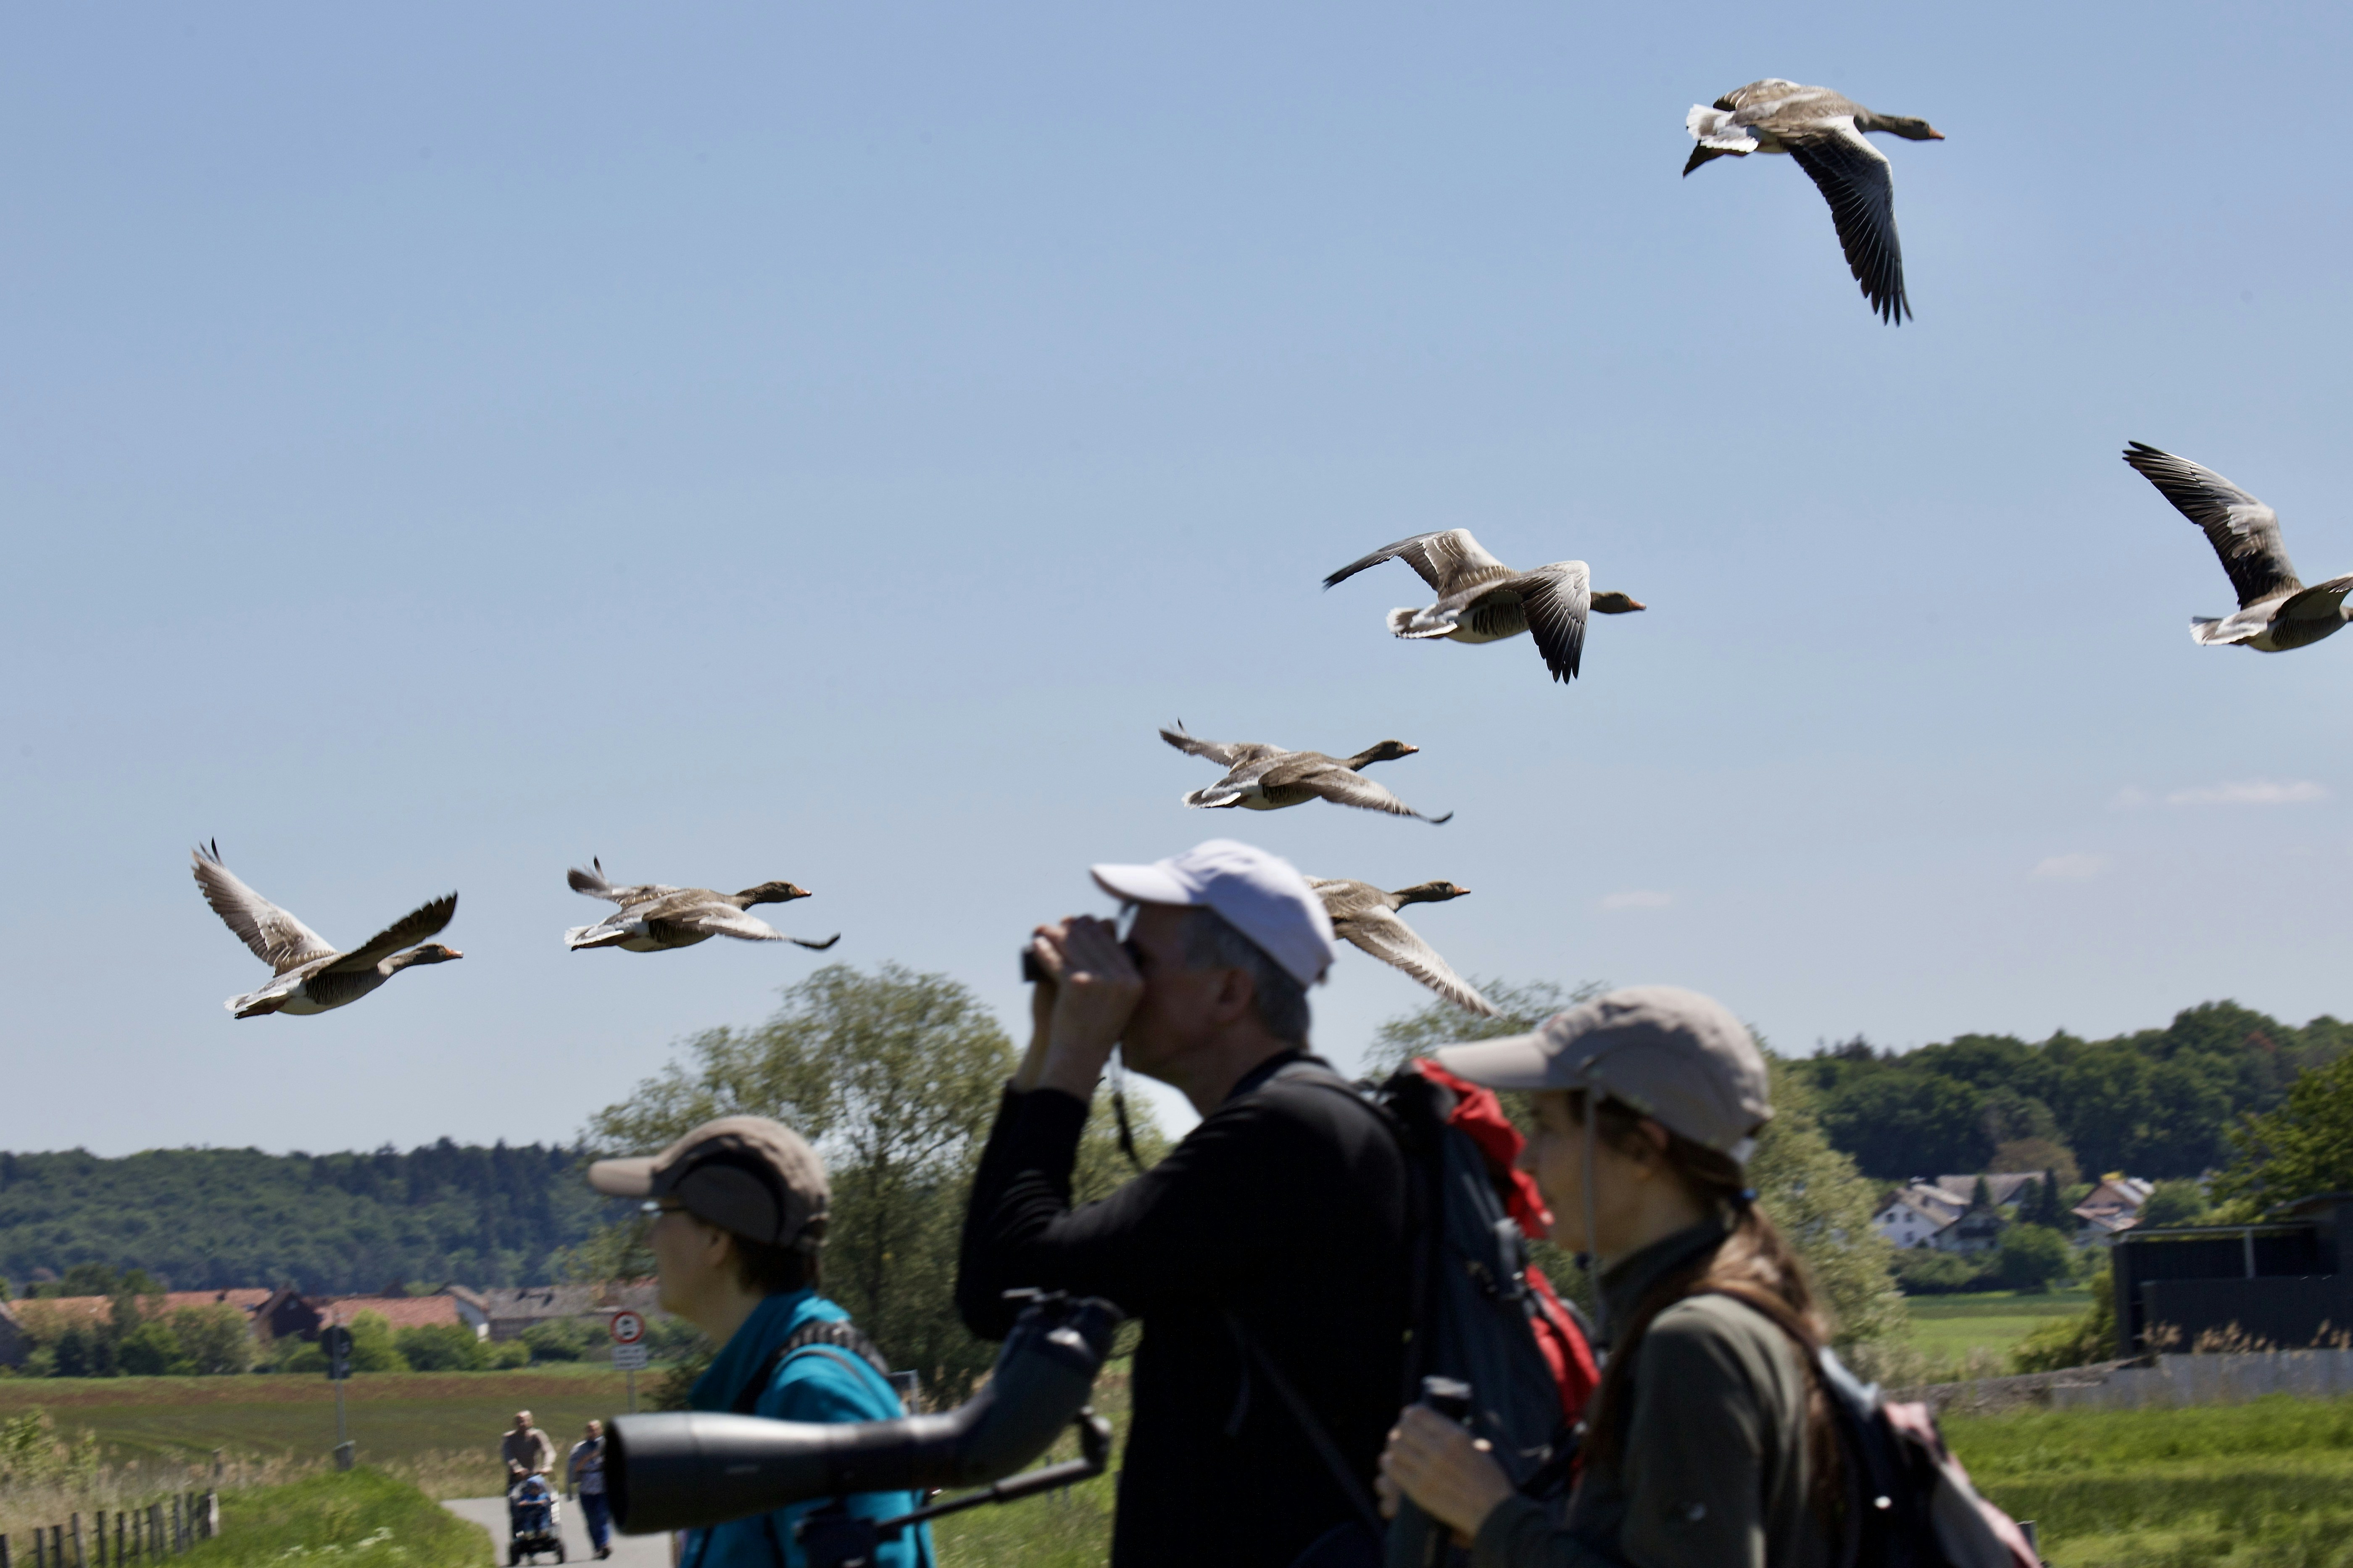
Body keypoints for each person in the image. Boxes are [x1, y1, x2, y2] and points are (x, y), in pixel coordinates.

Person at [958, 839, 1412, 1568]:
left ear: (1229, 993)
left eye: (1137, 961)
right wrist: (1048, 1040)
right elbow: (1001, 1277)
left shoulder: (1283, 1136)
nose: (1116, 981)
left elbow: (1004, 1284)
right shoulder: (1302, 1126)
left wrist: (1073, 1057)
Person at [1377, 987, 1842, 1568]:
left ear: (1644, 1150)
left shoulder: (1693, 1344)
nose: (1523, 1159)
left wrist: (1489, 1513)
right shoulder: (1728, 1311)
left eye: (1547, 1128)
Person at [588, 1116, 930, 1568]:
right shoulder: (765, 1384)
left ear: (715, 1239)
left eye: (659, 1214)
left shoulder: (815, 1397)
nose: (650, 1240)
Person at [567, 1418, 611, 1560]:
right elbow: (575, 1468)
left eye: (595, 1429)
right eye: (590, 1430)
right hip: (586, 1488)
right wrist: (588, 1458)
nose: (593, 1432)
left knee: (602, 1516)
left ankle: (605, 1544)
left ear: (600, 1430)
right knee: (591, 1519)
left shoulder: (607, 1445)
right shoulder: (580, 1448)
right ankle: (598, 1547)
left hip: (603, 1487)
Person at [502, 1409, 554, 1482]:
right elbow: (508, 1455)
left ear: (530, 1422)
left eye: (523, 1421)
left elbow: (549, 1451)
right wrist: (517, 1468)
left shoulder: (537, 1435)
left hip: (535, 1475)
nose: (521, 1424)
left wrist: (547, 1466)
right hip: (516, 1477)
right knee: (514, 1493)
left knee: (542, 1491)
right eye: (519, 1422)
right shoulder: (509, 1438)